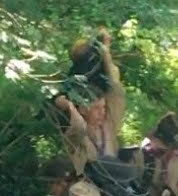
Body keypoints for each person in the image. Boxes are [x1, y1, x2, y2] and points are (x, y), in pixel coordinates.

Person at [52, 29, 125, 173]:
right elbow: (77, 123)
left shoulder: (109, 123)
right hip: (87, 188)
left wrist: (106, 54)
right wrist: (69, 106)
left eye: (103, 107)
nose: (102, 113)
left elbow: (116, 87)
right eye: (97, 109)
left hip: (114, 184)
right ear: (83, 109)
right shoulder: (76, 133)